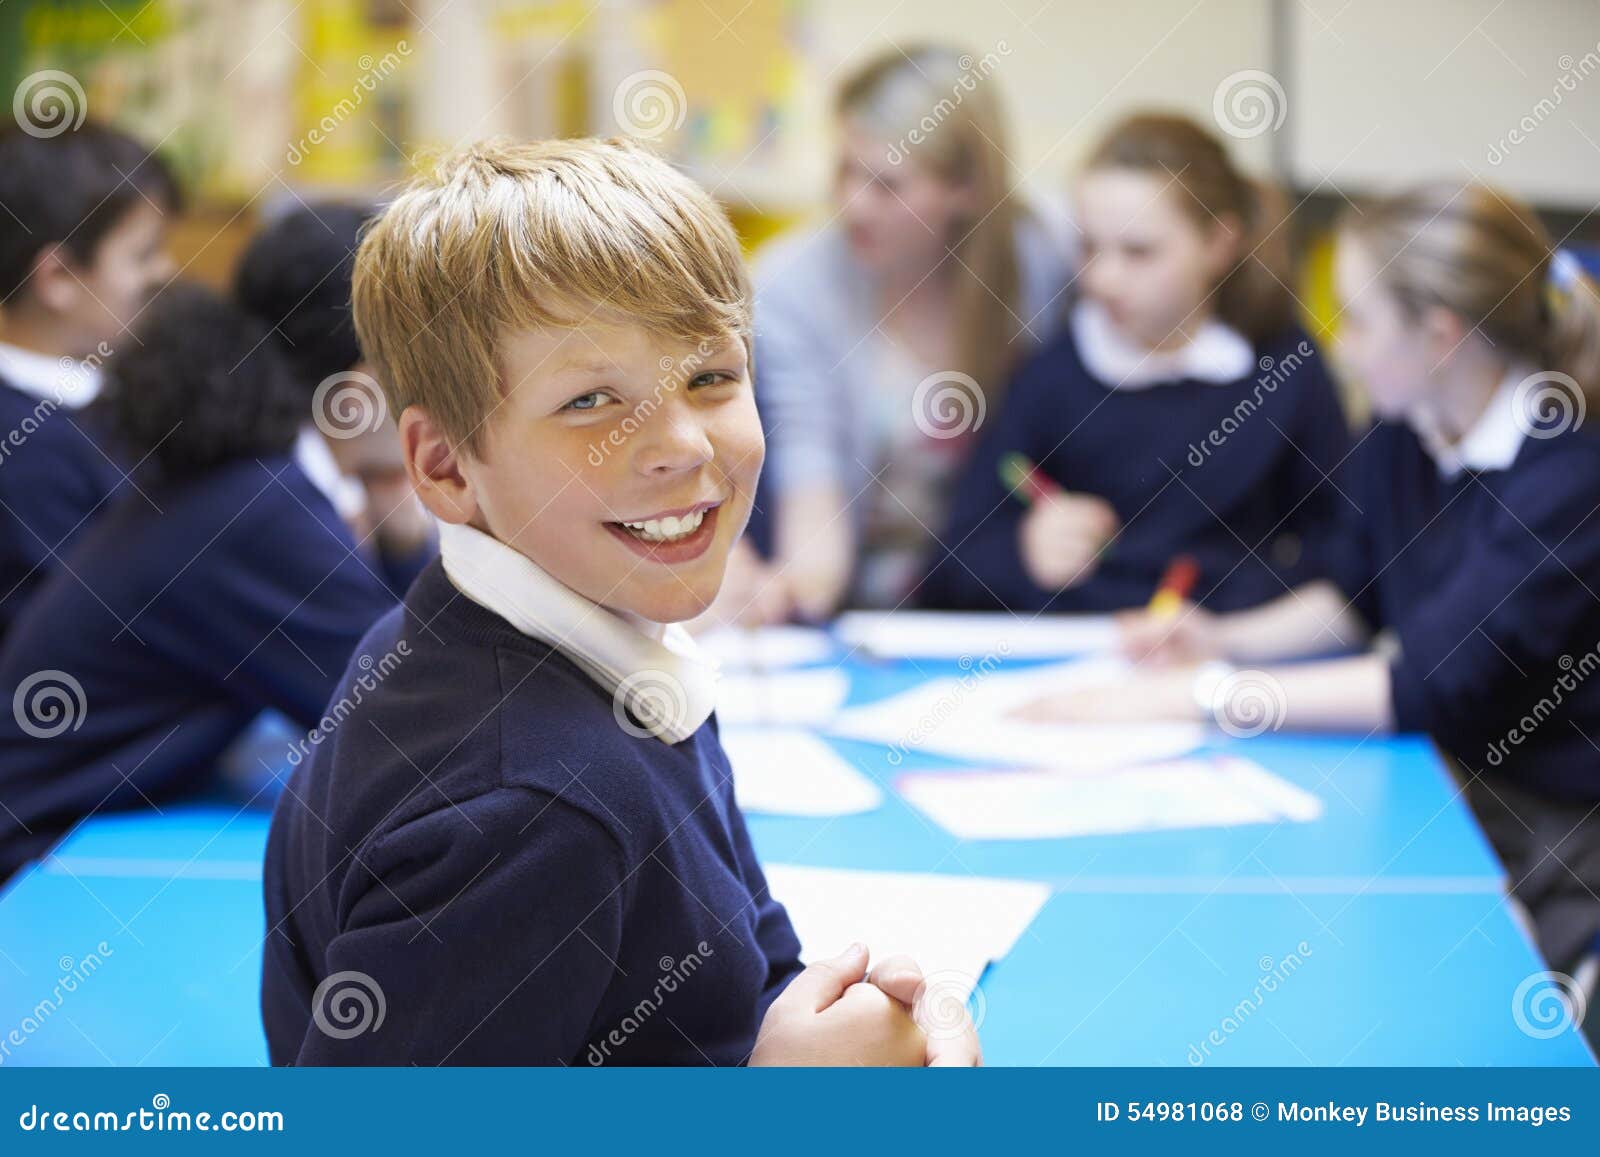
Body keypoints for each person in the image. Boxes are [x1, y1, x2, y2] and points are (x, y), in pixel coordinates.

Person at [260, 137, 979, 1066]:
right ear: (444, 466)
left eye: (712, 376)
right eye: (593, 400)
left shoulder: (611, 655)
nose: (681, 444)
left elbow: (744, 977)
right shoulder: (527, 811)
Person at [921, 112, 1349, 613]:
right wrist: (1024, 550)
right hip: (1079, 657)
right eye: (1088, 247)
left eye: (1139, 252)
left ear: (1218, 244)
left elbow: (1344, 552)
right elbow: (950, 566)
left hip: (1225, 660)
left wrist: (1229, 608)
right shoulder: (1051, 375)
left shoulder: (1284, 369)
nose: (1104, 279)